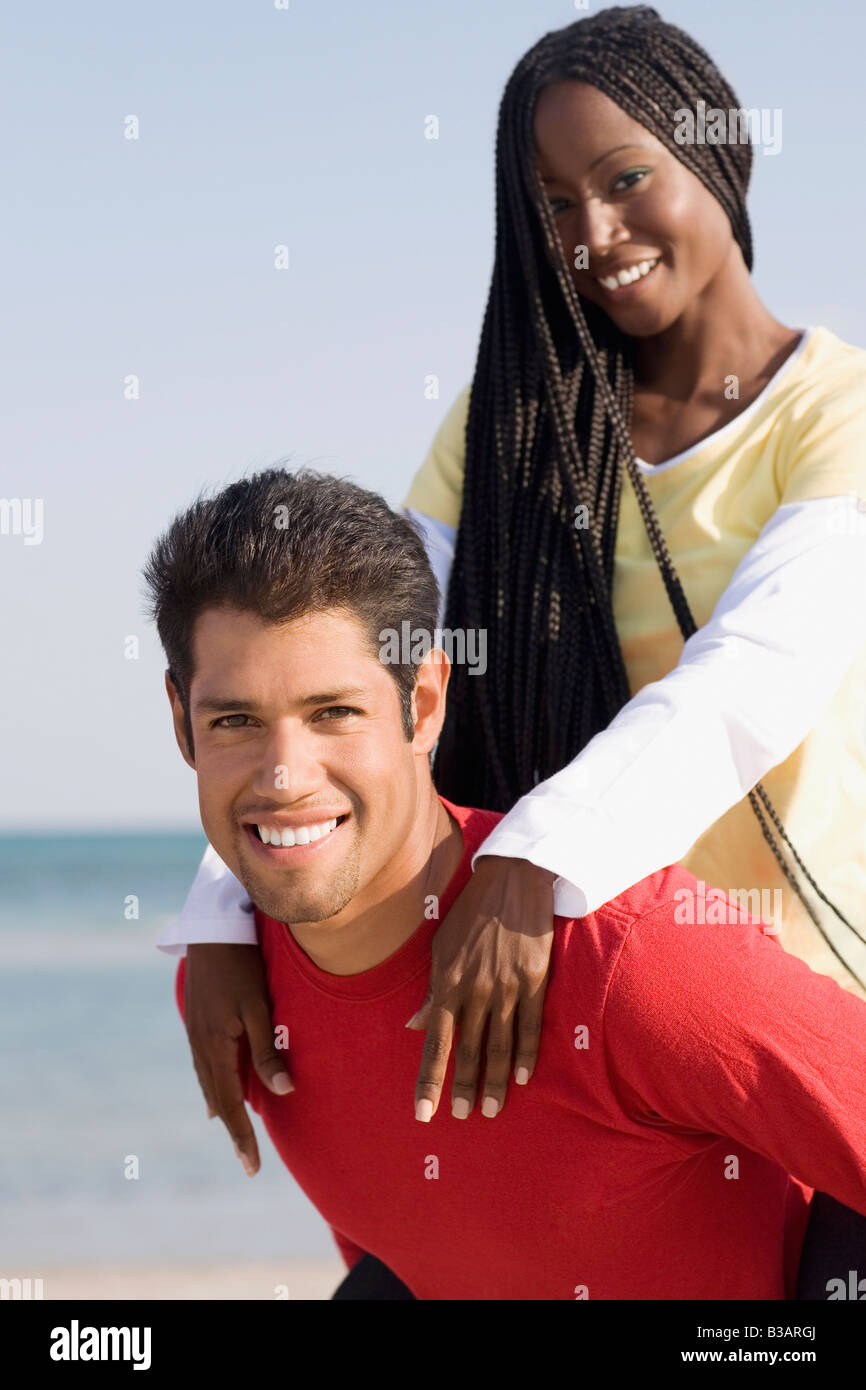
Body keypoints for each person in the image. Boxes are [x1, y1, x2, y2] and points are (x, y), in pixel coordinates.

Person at [159, 6, 866, 1168]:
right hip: (566, 1010)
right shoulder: (507, 418)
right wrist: (222, 912)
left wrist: (530, 853)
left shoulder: (834, 410)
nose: (595, 230)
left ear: (719, 149)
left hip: (788, 1009)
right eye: (552, 204)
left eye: (625, 177)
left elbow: (754, 675)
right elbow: (344, 655)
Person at [146, 468, 866, 1301]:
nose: (284, 776)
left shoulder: (634, 959)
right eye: (235, 721)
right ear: (181, 723)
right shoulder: (234, 994)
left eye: (334, 713)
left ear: (422, 702)